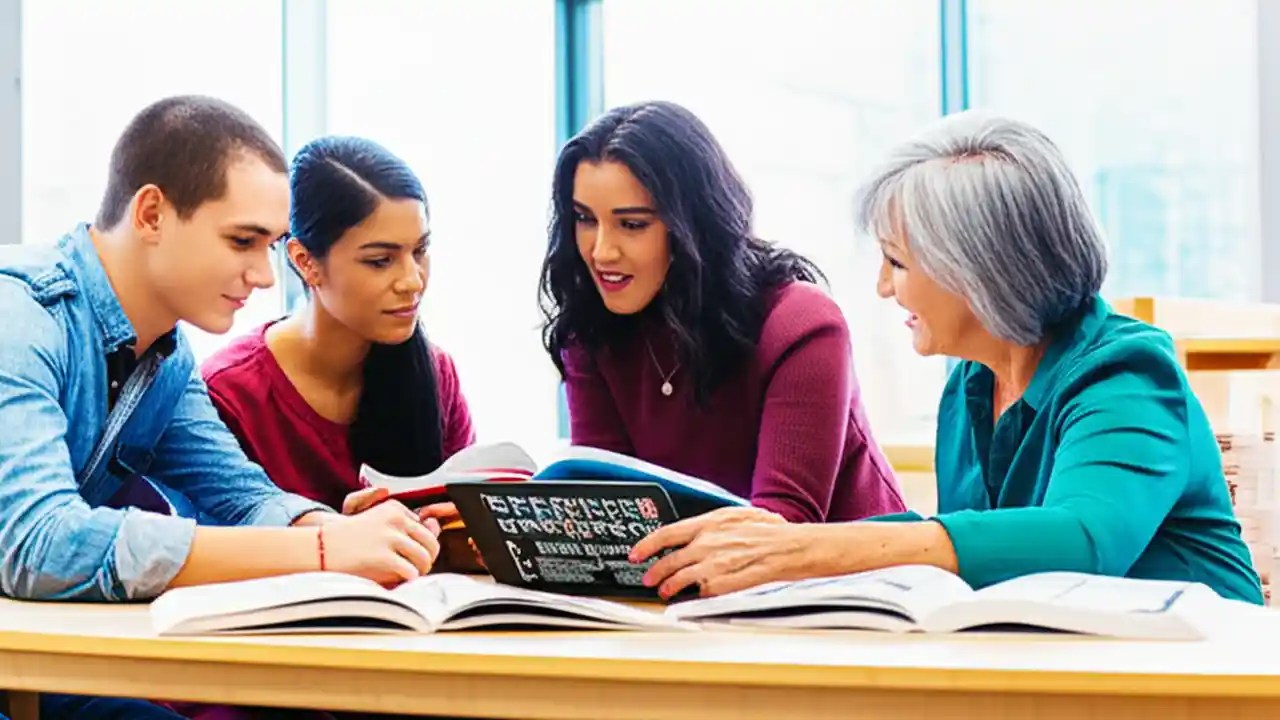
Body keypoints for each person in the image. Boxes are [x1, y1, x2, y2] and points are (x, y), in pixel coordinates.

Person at [629, 111, 1265, 606]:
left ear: (981, 269)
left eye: (898, 262)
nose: (884, 286)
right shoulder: (970, 387)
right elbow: (971, 552)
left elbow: (1080, 540)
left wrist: (801, 548)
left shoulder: (1127, 372)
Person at [0, 96, 442, 719]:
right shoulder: (20, 318)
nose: (265, 276)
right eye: (242, 241)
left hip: (42, 670)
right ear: (152, 213)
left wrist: (345, 534)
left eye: (270, 245)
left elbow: (243, 497)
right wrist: (320, 555)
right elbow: (40, 545)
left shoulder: (165, 358)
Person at [538, 100, 905, 524]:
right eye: (585, 219)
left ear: (693, 224)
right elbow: (610, 516)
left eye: (633, 225)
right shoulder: (591, 331)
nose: (601, 251)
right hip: (693, 580)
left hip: (854, 579)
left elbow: (784, 528)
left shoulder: (802, 325)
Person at [201, 135, 475, 514]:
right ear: (305, 261)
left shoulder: (434, 373)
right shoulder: (229, 396)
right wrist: (340, 542)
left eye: (420, 251)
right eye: (380, 260)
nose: (413, 280)